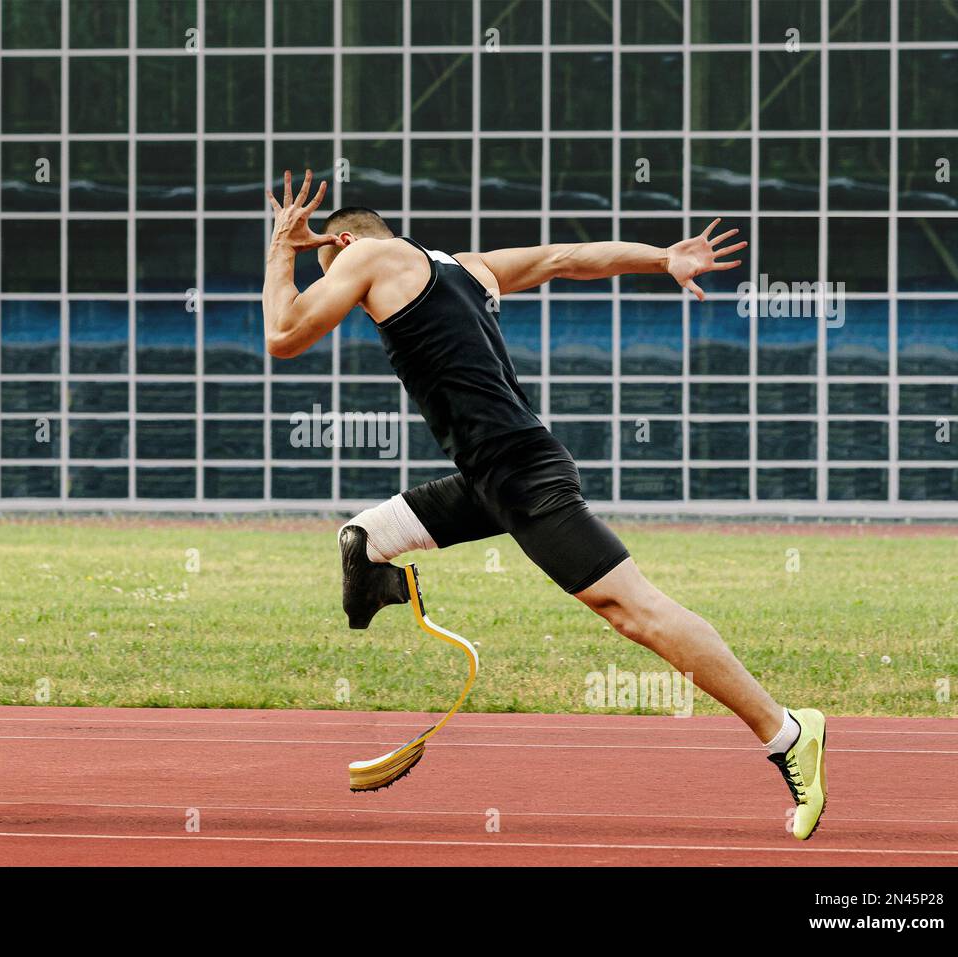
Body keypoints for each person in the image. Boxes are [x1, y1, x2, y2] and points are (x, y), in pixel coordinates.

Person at [262, 170, 827, 840]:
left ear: (350, 242)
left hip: (521, 475)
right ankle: (382, 595)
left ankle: (787, 730)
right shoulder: (461, 268)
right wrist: (661, 257)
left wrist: (281, 250)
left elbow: (284, 334)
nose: (348, 298)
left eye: (338, 280)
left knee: (634, 611)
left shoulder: (368, 254)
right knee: (363, 537)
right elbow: (564, 258)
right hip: (491, 478)